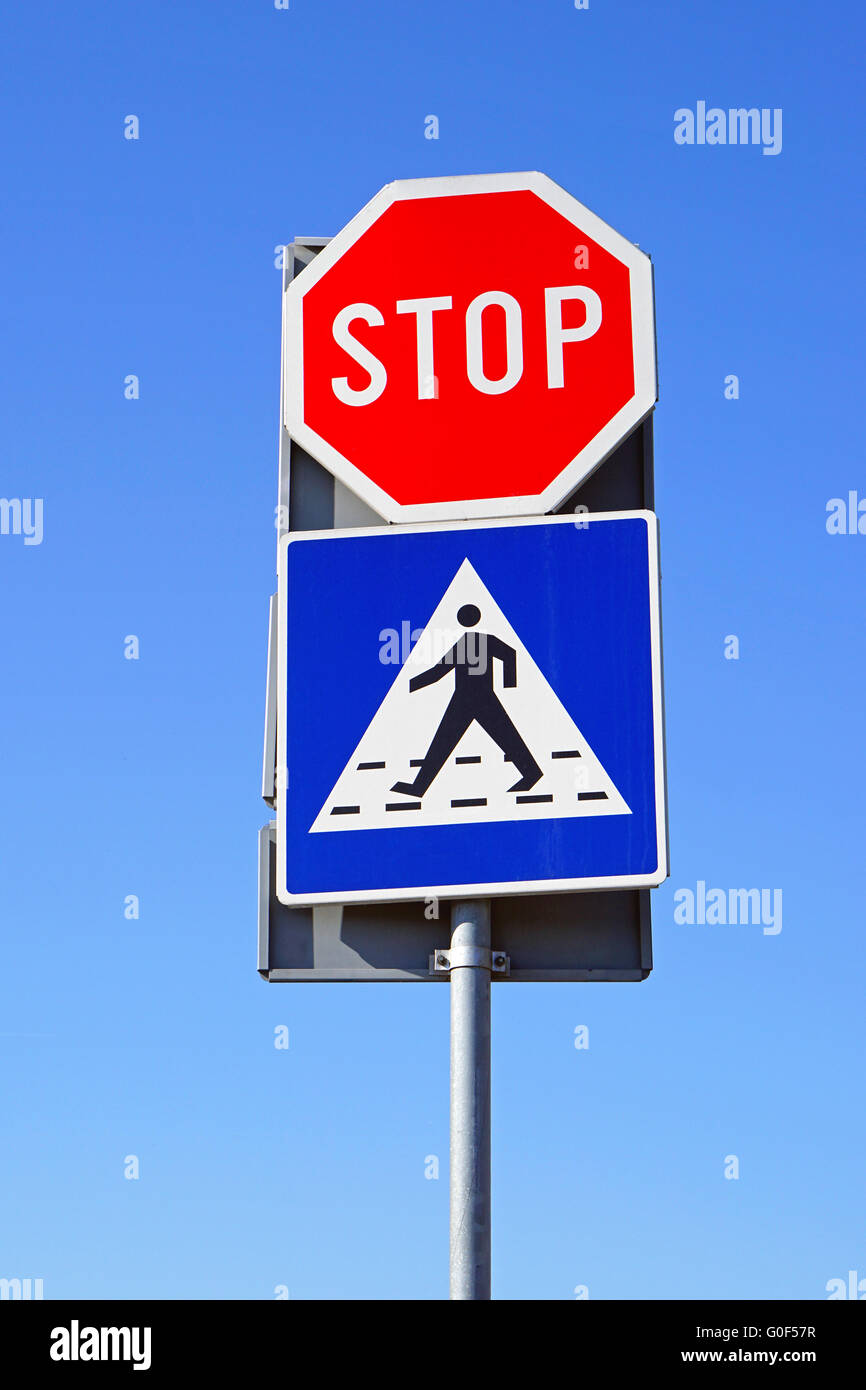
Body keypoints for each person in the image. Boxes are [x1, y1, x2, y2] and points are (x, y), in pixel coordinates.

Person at [390, 603, 542, 798]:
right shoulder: (480, 641)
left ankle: (532, 774)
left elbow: (438, 673)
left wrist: (409, 686)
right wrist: (508, 682)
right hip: (472, 697)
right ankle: (419, 787)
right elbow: (509, 654)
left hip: (474, 698)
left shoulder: (466, 643)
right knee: (447, 742)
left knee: (498, 738)